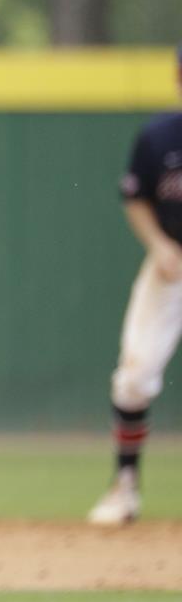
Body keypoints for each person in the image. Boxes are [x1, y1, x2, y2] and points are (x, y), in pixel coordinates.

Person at [88, 46, 182, 526]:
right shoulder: (158, 137)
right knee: (135, 373)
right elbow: (136, 197)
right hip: (173, 267)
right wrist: (159, 243)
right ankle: (124, 488)